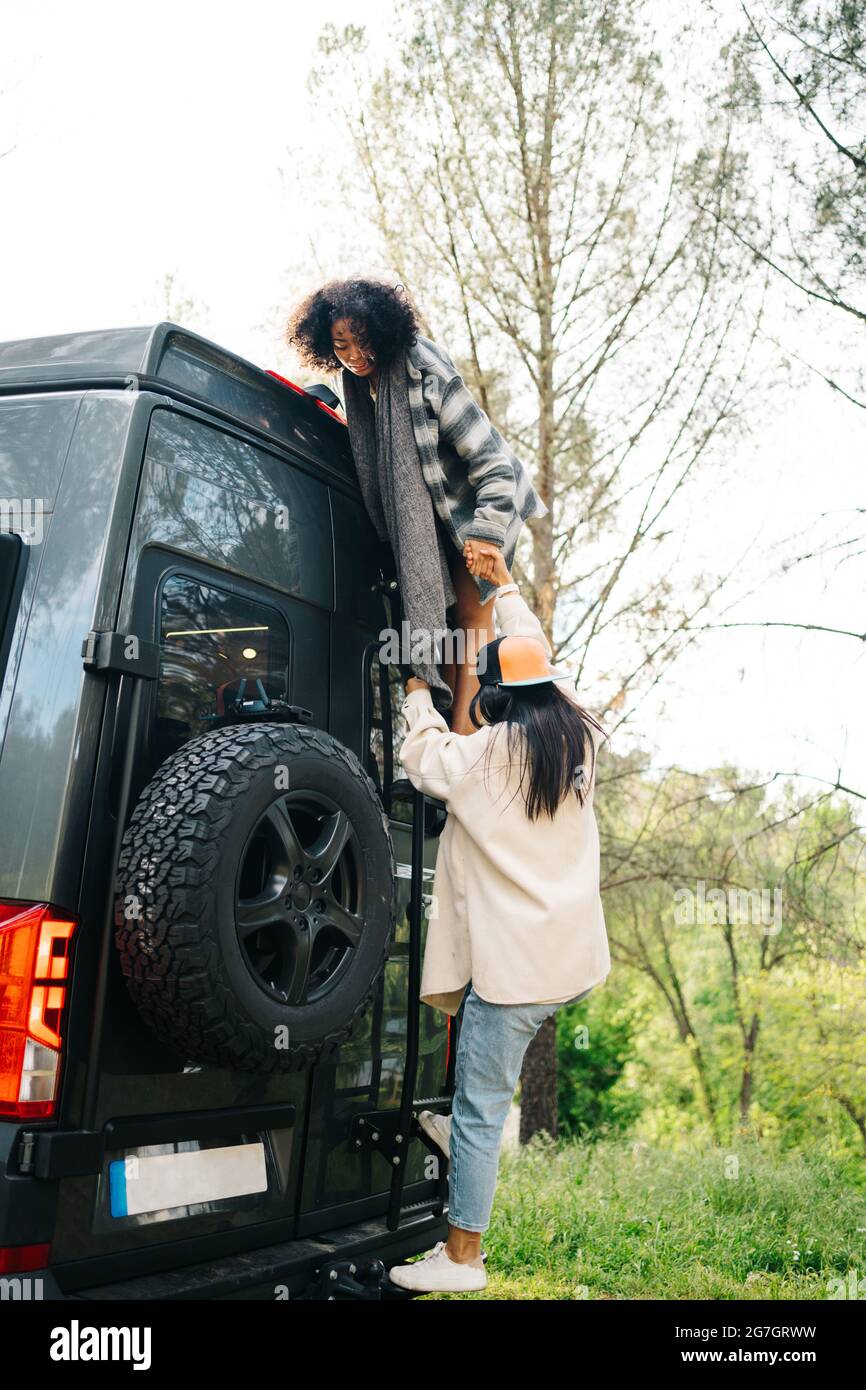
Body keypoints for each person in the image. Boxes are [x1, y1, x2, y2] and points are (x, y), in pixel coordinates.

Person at [386, 544, 611, 1294]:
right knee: (483, 1080)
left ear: (494, 699)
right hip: (566, 961)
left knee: (483, 1110)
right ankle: (459, 1118)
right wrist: (502, 584)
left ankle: (461, 1259)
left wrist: (417, 688)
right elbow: (537, 655)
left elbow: (422, 757)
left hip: (514, 978)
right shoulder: (579, 732)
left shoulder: (485, 756)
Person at [284, 277, 548, 734]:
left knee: (469, 630)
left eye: (361, 340)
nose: (353, 354)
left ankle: (464, 751)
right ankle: (443, 743)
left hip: (480, 511)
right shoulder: (359, 385)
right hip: (430, 524)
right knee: (441, 638)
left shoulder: (424, 370)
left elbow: (495, 463)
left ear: (382, 330)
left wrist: (485, 532)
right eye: (340, 345)